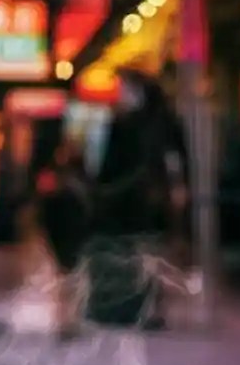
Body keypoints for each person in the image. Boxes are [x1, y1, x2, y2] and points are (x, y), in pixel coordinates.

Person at [87, 69, 187, 328]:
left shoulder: (152, 124)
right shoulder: (128, 123)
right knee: (138, 253)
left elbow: (172, 161)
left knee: (145, 253)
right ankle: (133, 308)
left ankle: (143, 308)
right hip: (130, 201)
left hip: (141, 201)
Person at [37, 141, 92, 338]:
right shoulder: (65, 184)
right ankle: (67, 321)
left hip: (71, 238)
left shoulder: (75, 184)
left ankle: (69, 320)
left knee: (69, 282)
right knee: (68, 282)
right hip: (66, 239)